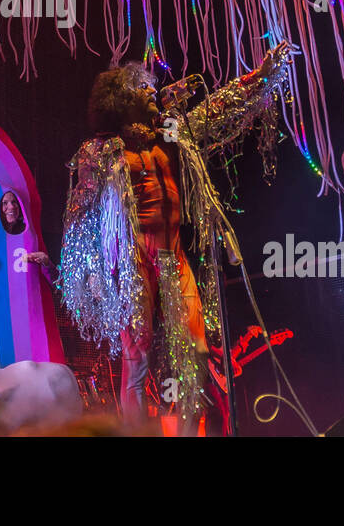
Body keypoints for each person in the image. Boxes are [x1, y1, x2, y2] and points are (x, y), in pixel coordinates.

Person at [58, 43, 290, 434]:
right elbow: (78, 216)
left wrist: (261, 75)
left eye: (152, 87)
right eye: (143, 88)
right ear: (123, 100)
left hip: (173, 256)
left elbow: (217, 108)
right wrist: (92, 272)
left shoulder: (170, 134)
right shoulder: (99, 151)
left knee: (197, 353)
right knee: (137, 359)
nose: (154, 92)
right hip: (131, 260)